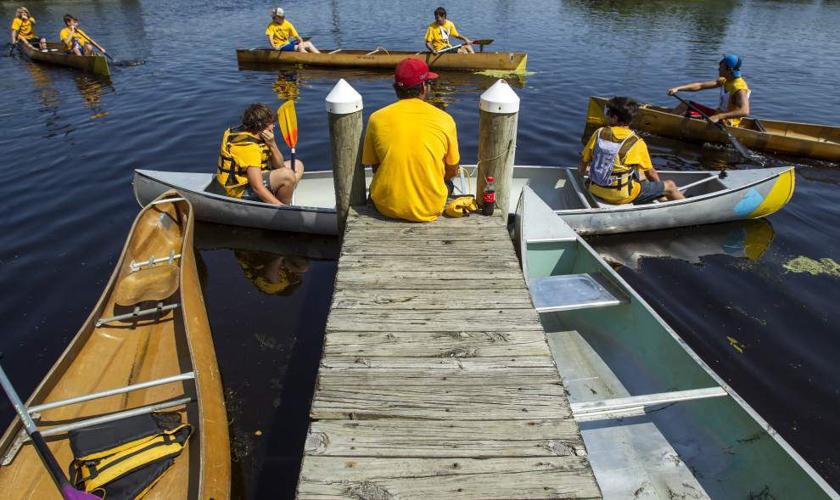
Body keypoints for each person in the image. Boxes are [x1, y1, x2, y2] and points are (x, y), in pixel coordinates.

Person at [362, 58, 460, 222]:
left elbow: (375, 166)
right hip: (429, 208)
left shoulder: (376, 118)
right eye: (429, 83)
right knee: (449, 185)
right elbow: (452, 170)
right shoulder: (445, 119)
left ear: (396, 88)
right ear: (423, 87)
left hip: (385, 206)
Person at [580, 97, 684, 205]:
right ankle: (676, 201)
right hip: (619, 196)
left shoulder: (599, 132)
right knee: (670, 185)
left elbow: (583, 161)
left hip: (593, 188)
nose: (606, 115)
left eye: (607, 113)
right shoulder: (636, 142)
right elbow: (651, 173)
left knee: (640, 172)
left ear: (614, 118)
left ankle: (661, 198)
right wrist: (662, 189)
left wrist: (583, 176)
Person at [216, 103, 304, 205]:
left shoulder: (256, 134)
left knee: (298, 165)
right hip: (240, 192)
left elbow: (280, 166)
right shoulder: (249, 148)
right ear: (261, 127)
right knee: (287, 175)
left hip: (254, 178)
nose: (274, 125)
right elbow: (257, 187)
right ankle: (281, 208)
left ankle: (277, 197)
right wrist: (282, 209)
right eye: (271, 123)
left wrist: (272, 144)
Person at [667, 54, 751, 127]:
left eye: (721, 66)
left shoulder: (739, 88)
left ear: (730, 70)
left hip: (727, 123)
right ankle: (667, 122)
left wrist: (718, 117)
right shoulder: (725, 80)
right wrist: (678, 88)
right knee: (686, 104)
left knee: (687, 114)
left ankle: (667, 125)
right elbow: (700, 85)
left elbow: (745, 111)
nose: (719, 68)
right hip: (717, 116)